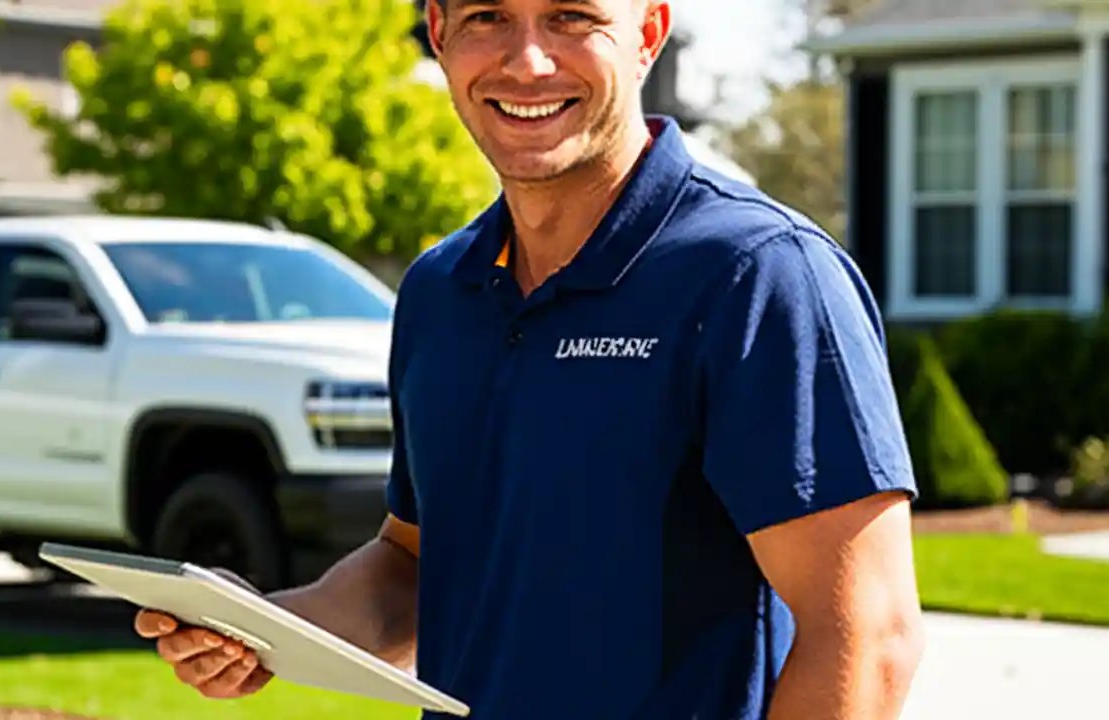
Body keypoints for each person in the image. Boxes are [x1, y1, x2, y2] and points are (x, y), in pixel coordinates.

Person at [134, 1, 927, 717]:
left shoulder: (759, 275)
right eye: (487, 18)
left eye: (571, 18)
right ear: (439, 34)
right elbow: (414, 564)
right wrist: (266, 626)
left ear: (648, 34)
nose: (528, 62)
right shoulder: (441, 290)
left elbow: (866, 638)